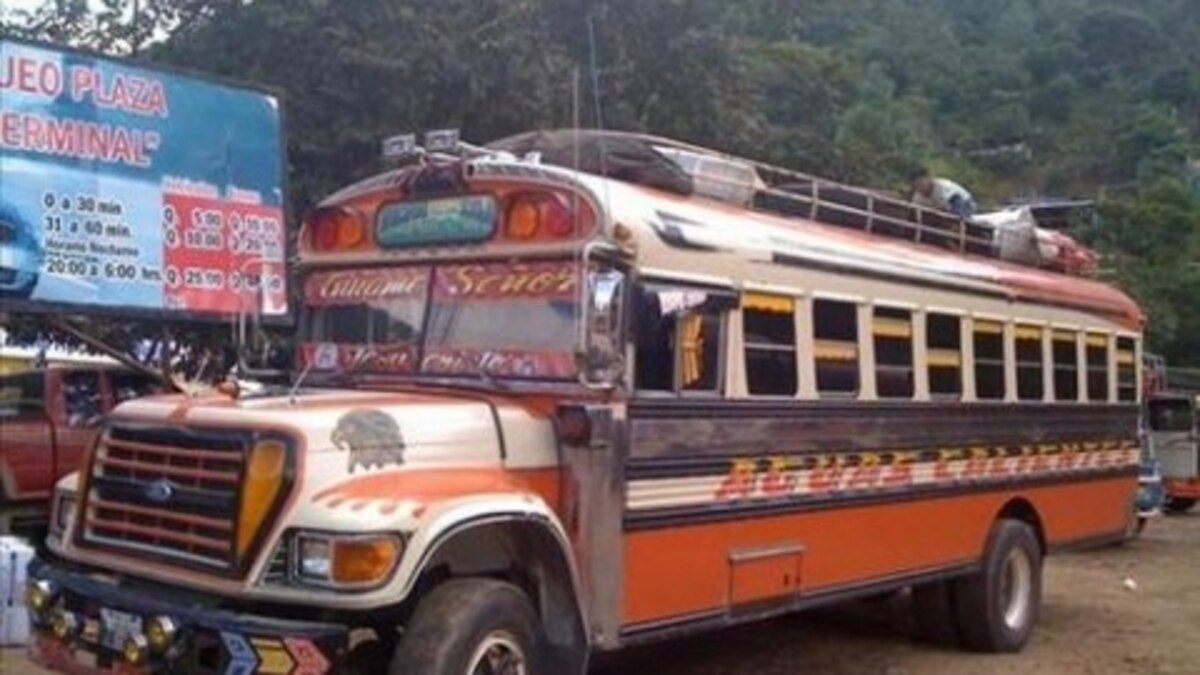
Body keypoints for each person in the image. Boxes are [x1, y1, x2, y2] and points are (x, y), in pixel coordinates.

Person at [911, 171, 977, 218]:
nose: (921, 188)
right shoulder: (917, 197)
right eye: (917, 186)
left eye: (921, 184)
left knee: (956, 211)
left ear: (928, 179)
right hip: (941, 211)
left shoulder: (943, 186)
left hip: (964, 203)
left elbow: (956, 201)